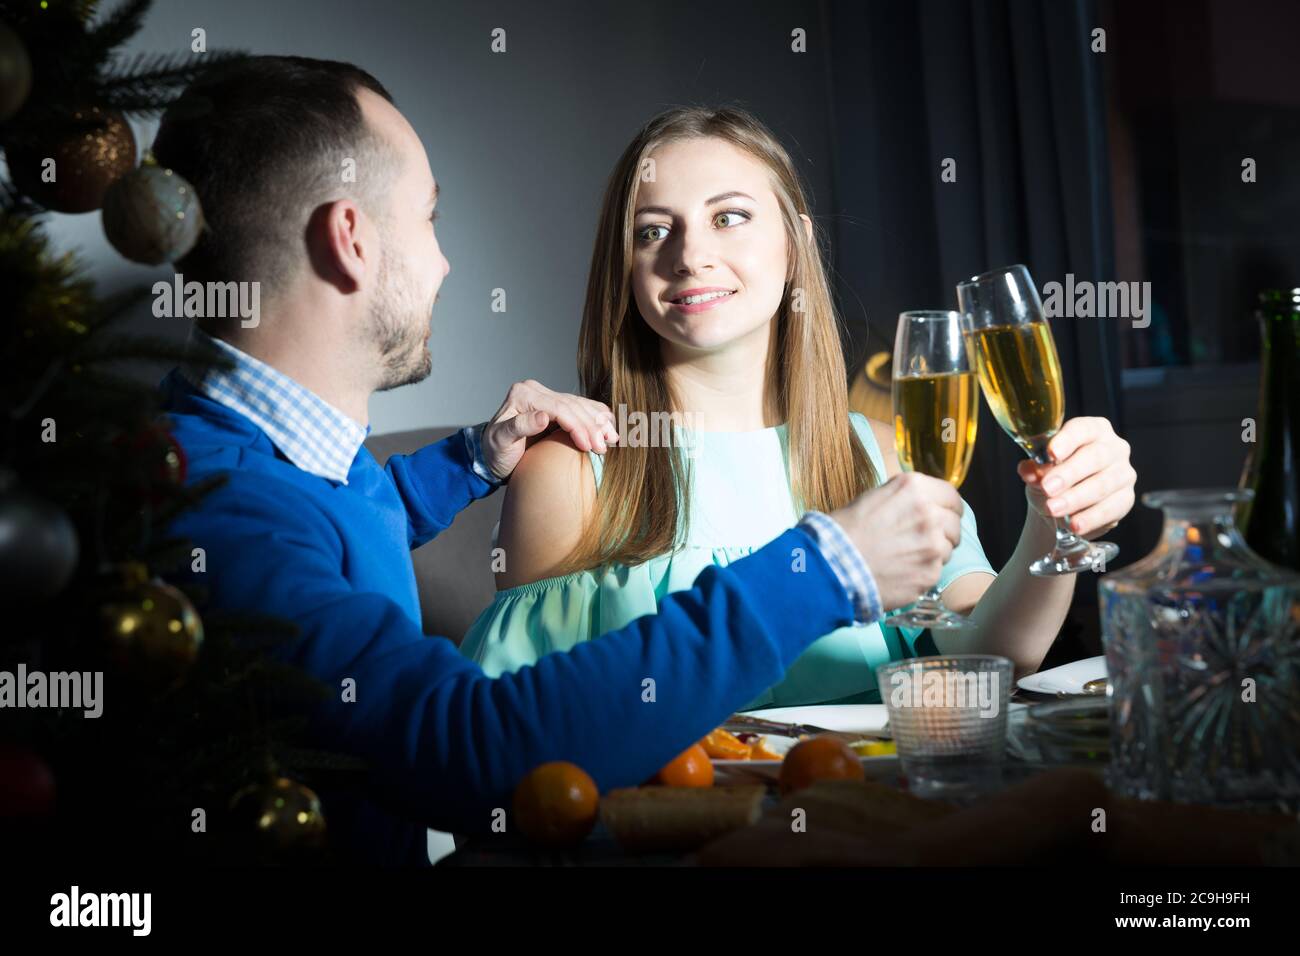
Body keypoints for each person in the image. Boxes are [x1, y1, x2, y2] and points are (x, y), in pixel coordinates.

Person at [152, 56, 967, 866]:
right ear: (352, 242)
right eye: (429, 220)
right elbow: (478, 749)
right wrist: (823, 569)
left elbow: (331, 528)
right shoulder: (224, 511)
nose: (444, 264)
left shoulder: (268, 460)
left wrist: (472, 459)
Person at [460, 107, 1137, 706]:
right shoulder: (565, 472)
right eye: (652, 232)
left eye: (729, 218)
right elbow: (525, 725)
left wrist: (1054, 525)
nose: (691, 254)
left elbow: (989, 657)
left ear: (796, 243)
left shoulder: (880, 451)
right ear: (626, 269)